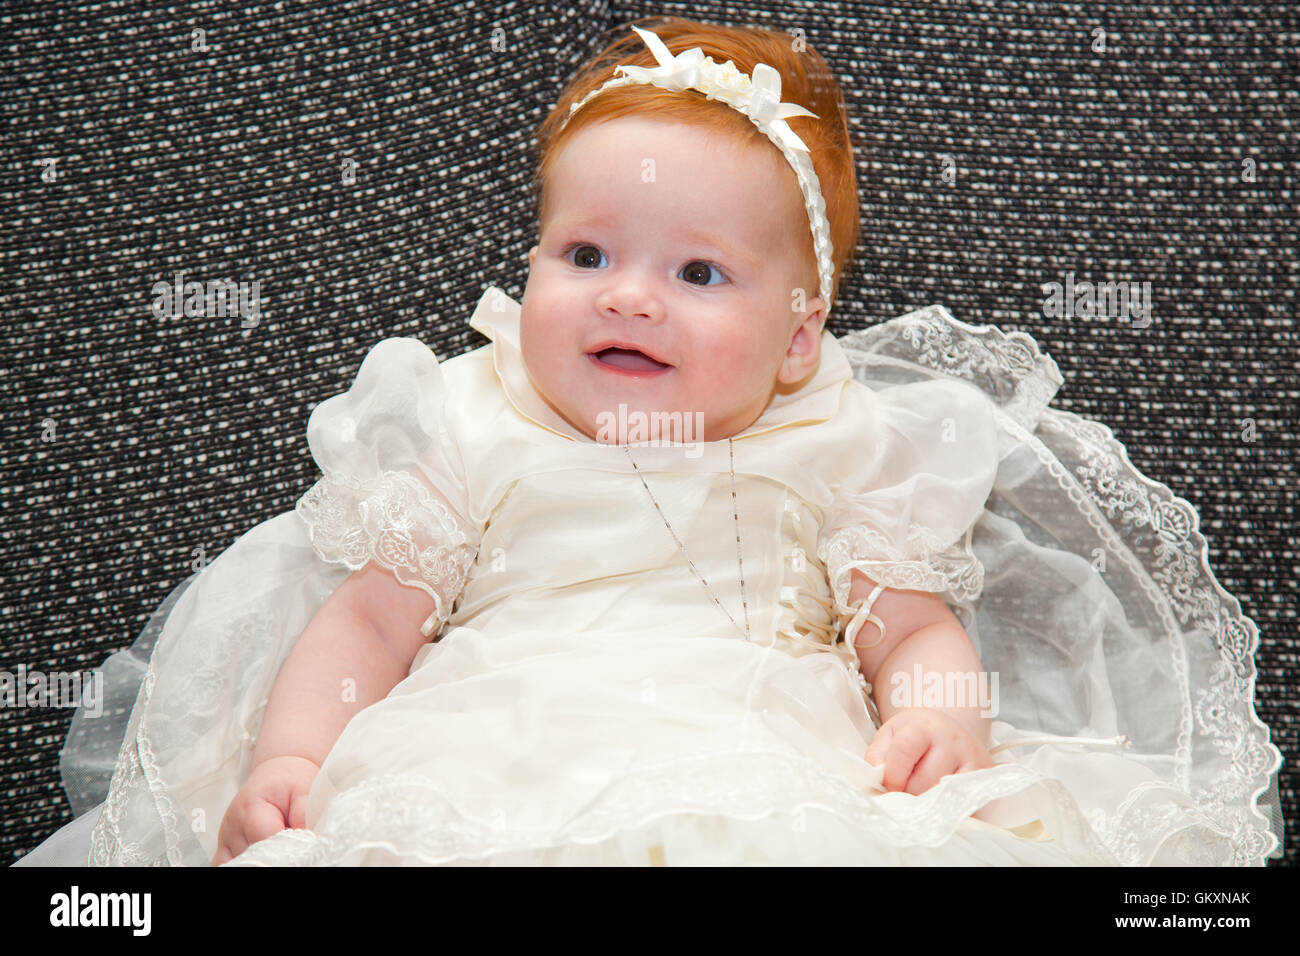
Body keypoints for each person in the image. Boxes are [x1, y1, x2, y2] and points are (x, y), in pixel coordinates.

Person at [16, 16, 1282, 867]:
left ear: (799, 335)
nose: (626, 296)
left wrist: (940, 717)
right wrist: (292, 752)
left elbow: (909, 620)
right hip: (486, 744)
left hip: (762, 746)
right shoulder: (469, 415)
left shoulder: (839, 437)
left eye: (696, 270)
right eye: (585, 254)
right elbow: (364, 624)